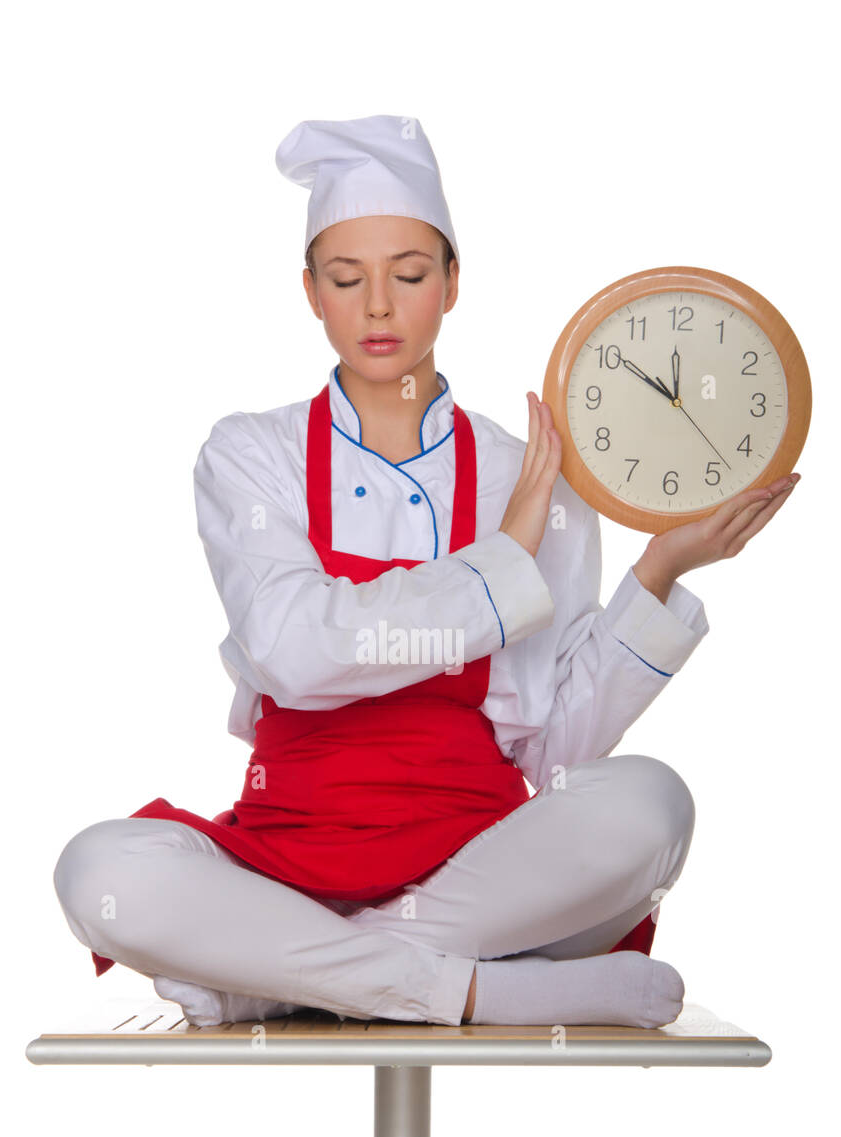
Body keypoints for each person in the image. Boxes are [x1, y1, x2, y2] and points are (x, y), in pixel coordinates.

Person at [52, 115, 800, 1029]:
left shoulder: (531, 475)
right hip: (286, 857)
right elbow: (292, 651)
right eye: (345, 278)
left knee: (650, 804)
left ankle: (286, 978)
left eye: (408, 275)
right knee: (100, 870)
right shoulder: (251, 454)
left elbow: (557, 751)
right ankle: (477, 991)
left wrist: (657, 569)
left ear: (451, 285)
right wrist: (499, 564)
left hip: (474, 859)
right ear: (309, 294)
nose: (377, 306)